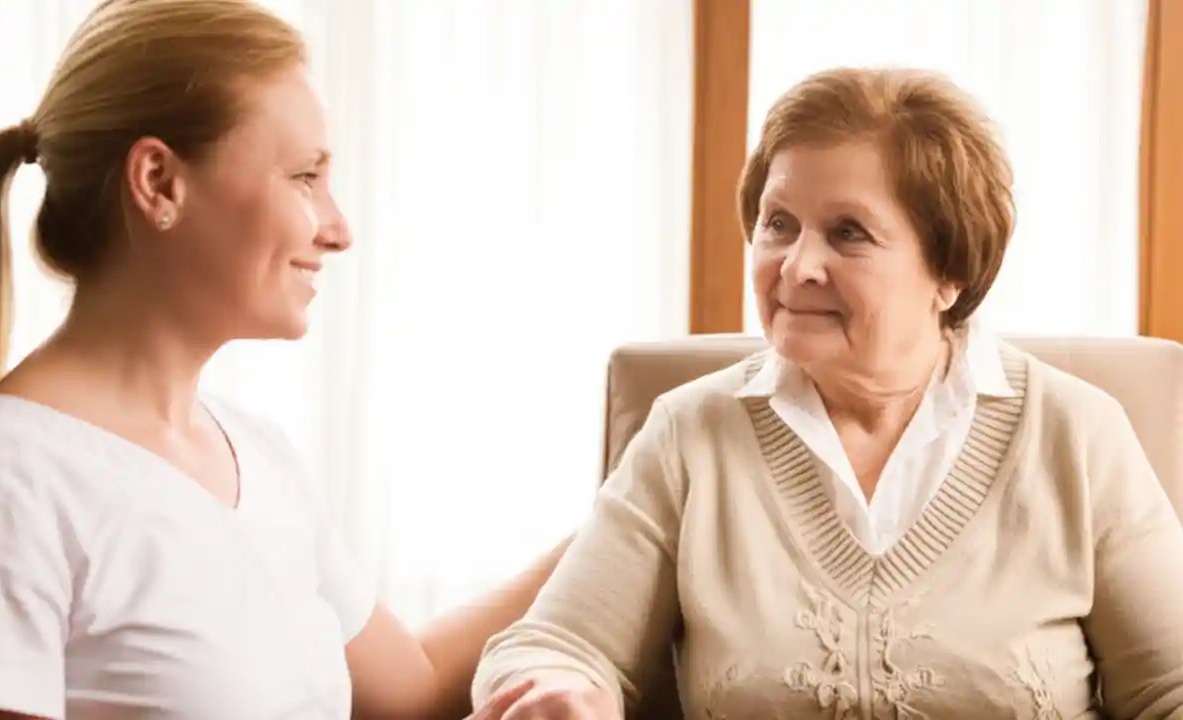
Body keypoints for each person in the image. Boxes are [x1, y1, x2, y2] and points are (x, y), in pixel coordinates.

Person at [471, 68, 1183, 719]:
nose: (797, 265)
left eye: (848, 234)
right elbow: (555, 643)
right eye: (778, 225)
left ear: (950, 272)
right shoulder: (690, 432)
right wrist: (559, 690)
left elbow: (1169, 685)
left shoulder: (1078, 433)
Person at [0, 1, 548, 718]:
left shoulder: (257, 457)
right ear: (158, 182)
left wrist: (644, 501)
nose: (338, 230)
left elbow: (417, 686)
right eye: (305, 176)